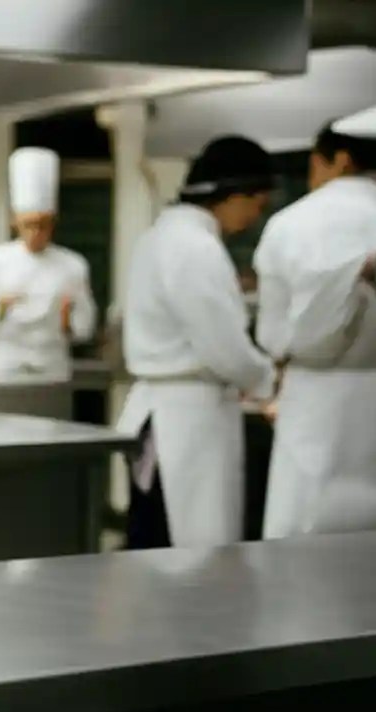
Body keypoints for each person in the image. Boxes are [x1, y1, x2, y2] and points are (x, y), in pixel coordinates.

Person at [117, 136, 278, 549]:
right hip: (186, 420)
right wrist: (268, 383)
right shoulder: (195, 246)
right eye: (256, 205)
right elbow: (223, 345)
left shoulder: (159, 236)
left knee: (156, 542)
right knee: (189, 551)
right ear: (234, 194)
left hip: (161, 411)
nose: (254, 218)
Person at [254, 105, 376, 538]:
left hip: (314, 405)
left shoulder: (289, 224)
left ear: (340, 160)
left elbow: (271, 336)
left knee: (304, 544)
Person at [0, 147, 97, 378]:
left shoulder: (73, 265)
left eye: (42, 225)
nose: (36, 232)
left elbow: (84, 328)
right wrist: (1, 307)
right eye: (28, 225)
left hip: (51, 362)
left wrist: (67, 320)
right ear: (15, 223)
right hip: (7, 362)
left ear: (53, 223)